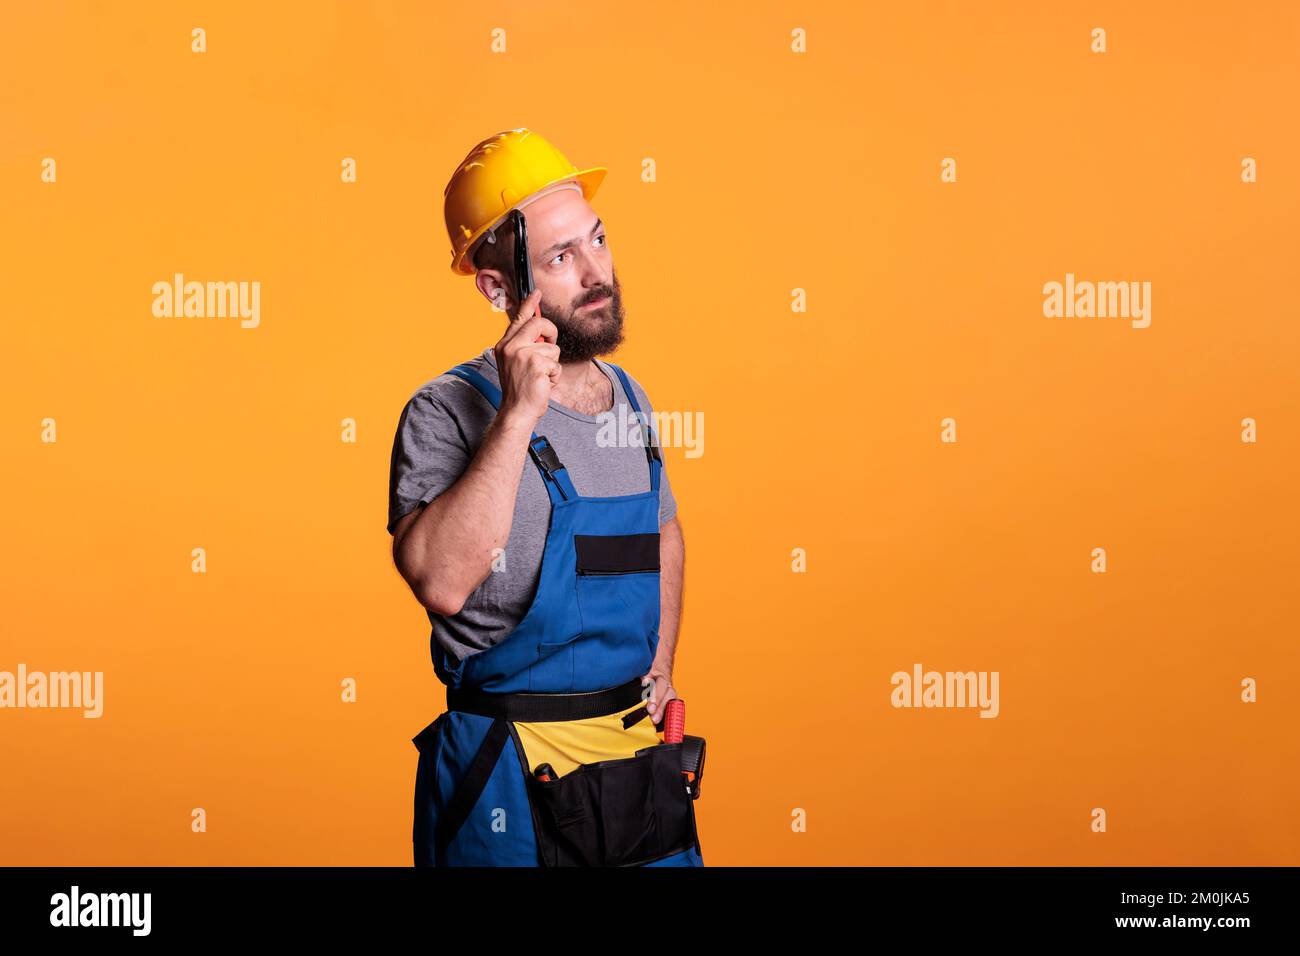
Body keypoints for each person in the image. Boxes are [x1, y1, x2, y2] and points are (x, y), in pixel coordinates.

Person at [388, 128, 703, 866]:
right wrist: (519, 414)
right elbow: (439, 580)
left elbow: (662, 529)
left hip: (633, 771)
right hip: (506, 782)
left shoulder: (631, 400)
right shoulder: (443, 410)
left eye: (597, 240)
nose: (597, 271)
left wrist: (661, 667)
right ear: (497, 289)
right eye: (561, 257)